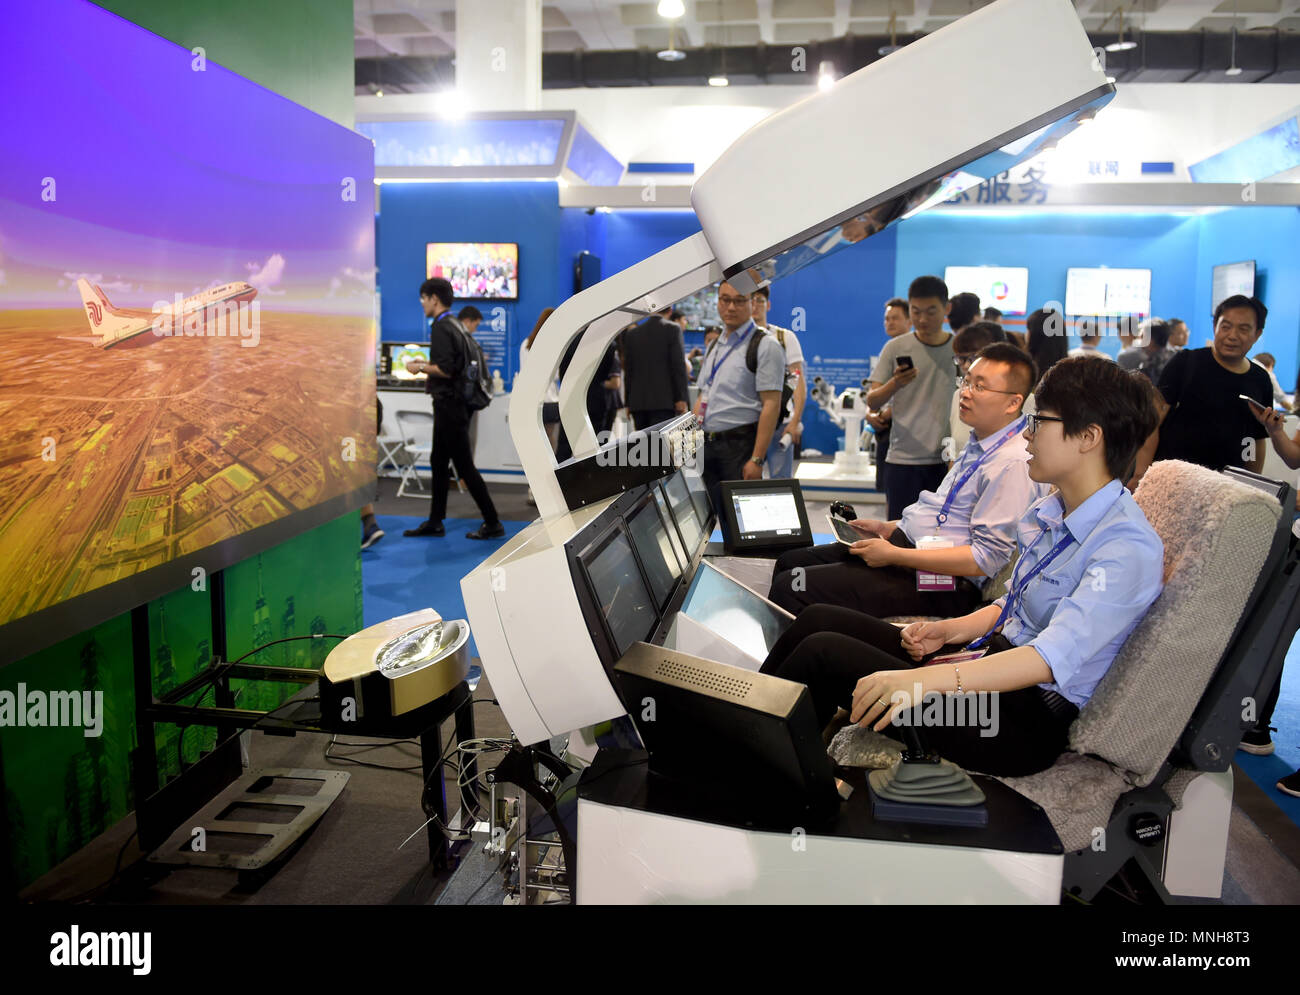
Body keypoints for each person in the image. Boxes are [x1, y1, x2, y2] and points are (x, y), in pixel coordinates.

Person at [760, 357, 1164, 777]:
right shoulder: (1055, 510)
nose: (1028, 434)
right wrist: (947, 632)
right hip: (985, 661)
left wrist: (922, 682)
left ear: (1088, 437)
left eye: (1040, 421)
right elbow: (1014, 603)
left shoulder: (1125, 547)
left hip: (1017, 720)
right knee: (818, 620)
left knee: (823, 654)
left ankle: (763, 776)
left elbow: (1049, 658)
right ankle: (748, 737)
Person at [769, 344, 1044, 619]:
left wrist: (894, 555)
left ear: (1013, 403)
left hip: (944, 583)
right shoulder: (980, 440)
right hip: (910, 550)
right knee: (789, 562)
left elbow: (984, 560)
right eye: (966, 381)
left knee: (791, 586)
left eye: (980, 387)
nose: (965, 392)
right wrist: (889, 528)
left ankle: (811, 644)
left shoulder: (1012, 463)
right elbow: (947, 516)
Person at [403, 278, 504, 540]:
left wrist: (419, 367)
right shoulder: (455, 325)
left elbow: (446, 370)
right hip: (453, 405)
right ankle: (435, 520)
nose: (422, 304)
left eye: (424, 298)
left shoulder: (441, 327)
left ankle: (493, 522)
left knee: (464, 465)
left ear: (434, 299)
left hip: (449, 405)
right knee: (438, 461)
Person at [693, 281, 785, 532]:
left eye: (739, 300)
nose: (731, 307)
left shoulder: (765, 345)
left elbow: (771, 404)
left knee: (741, 527)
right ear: (718, 302)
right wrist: (689, 441)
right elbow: (703, 394)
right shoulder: (715, 344)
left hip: (739, 447)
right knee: (702, 522)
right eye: (725, 299)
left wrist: (757, 458)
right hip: (707, 445)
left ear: (752, 303)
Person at [866, 276, 956, 518]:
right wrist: (895, 383)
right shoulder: (895, 347)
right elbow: (872, 400)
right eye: (916, 312)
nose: (922, 319)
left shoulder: (959, 348)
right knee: (899, 531)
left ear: (946, 309)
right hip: (903, 459)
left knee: (941, 533)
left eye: (931, 312)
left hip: (947, 460)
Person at [1153, 295, 1271, 473]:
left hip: (1227, 484)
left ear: (1257, 334)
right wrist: (1141, 472)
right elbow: (1153, 421)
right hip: (1173, 477)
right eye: (1226, 326)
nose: (1232, 336)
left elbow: (1255, 439)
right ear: (1215, 326)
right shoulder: (1185, 363)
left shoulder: (1260, 379)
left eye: (1243, 329)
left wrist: (1253, 481)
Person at [751, 284, 807, 479]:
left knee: (781, 483)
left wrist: (795, 420)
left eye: (760, 301)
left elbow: (798, 381)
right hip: (748, 424)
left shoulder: (784, 337)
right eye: (751, 300)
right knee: (746, 483)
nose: (755, 306)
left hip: (780, 422)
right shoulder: (739, 340)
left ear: (768, 305)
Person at [868, 297, 912, 496]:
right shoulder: (888, 349)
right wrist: (871, 413)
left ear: (909, 321)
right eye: (887, 319)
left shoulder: (916, 350)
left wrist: (889, 413)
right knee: (889, 492)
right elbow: (874, 391)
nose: (890, 322)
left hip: (909, 432)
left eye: (895, 318)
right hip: (886, 431)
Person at [620, 305, 690, 431]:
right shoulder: (673, 329)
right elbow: (678, 366)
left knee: (643, 442)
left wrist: (628, 402)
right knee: (660, 443)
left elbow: (628, 371)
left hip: (638, 403)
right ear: (670, 311)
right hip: (664, 402)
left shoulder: (632, 333)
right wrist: (681, 398)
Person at [947, 321, 1006, 459]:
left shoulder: (1018, 399)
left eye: (973, 358)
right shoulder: (958, 395)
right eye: (961, 358)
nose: (966, 365)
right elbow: (954, 454)